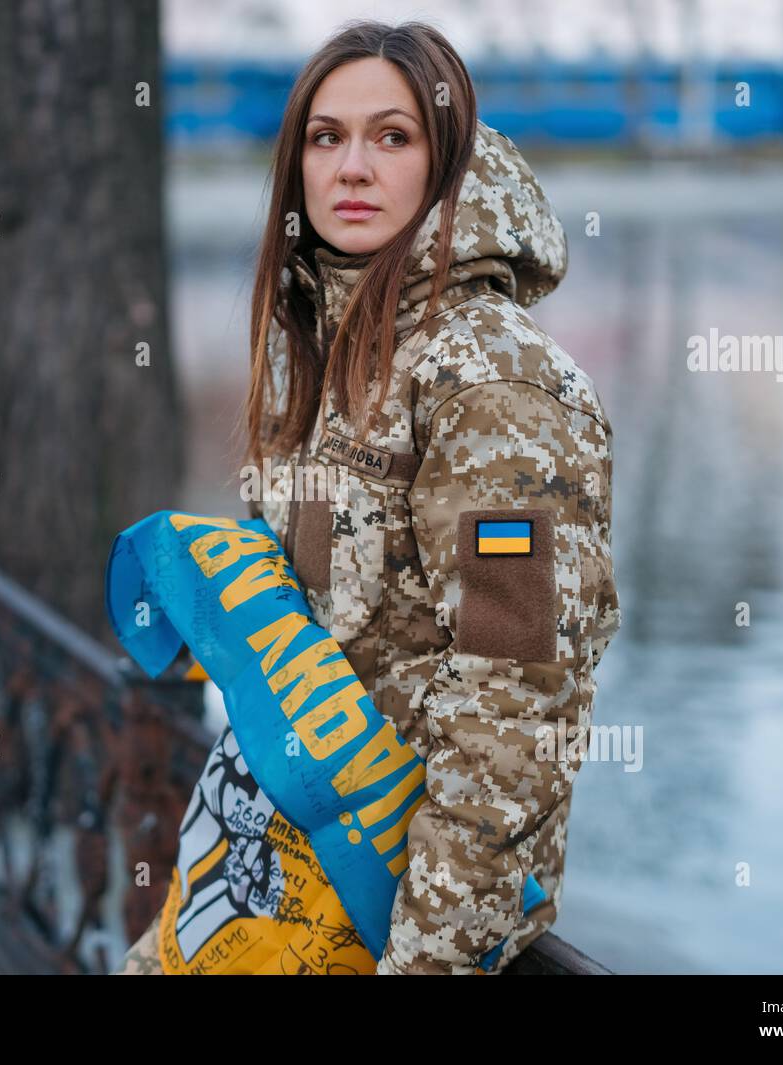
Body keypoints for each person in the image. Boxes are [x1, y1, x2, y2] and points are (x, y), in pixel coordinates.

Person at [115, 18, 620, 976]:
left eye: (392, 137)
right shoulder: (324, 339)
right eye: (326, 136)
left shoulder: (492, 385)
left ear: (446, 164)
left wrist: (426, 961)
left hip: (379, 902)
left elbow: (514, 709)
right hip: (260, 853)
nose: (353, 166)